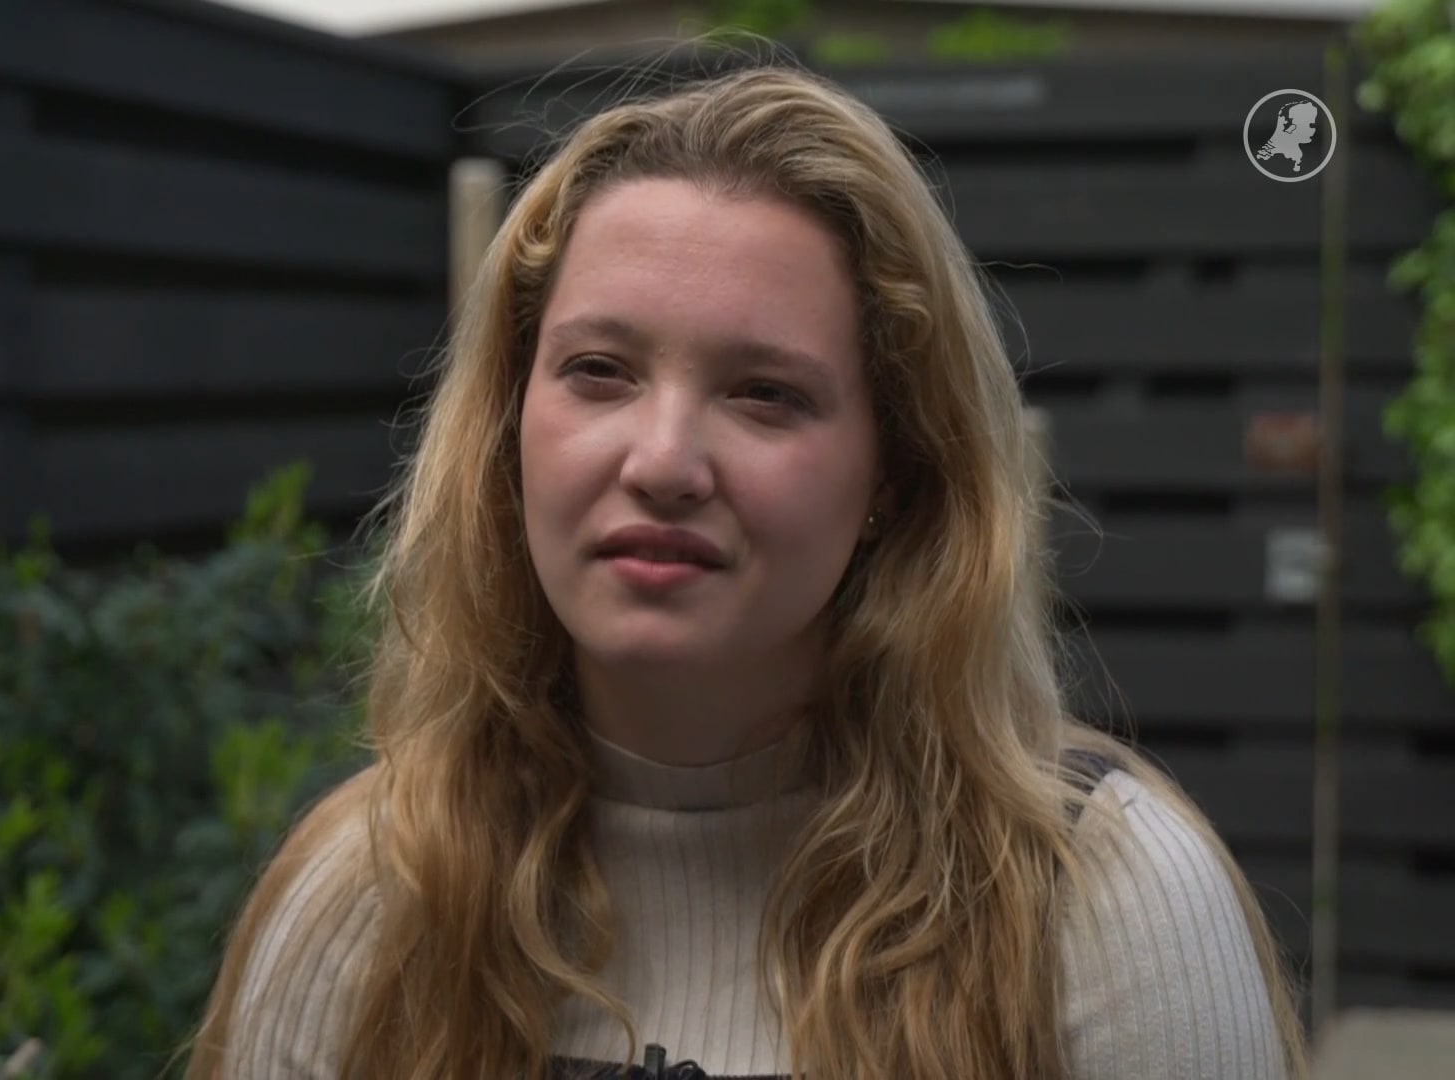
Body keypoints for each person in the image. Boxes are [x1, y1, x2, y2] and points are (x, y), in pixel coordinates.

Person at [180, 63, 1309, 1080]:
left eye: (765, 393)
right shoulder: (376, 894)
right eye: (600, 371)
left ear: (895, 477)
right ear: (505, 430)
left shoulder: (1097, 904)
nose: (664, 461)